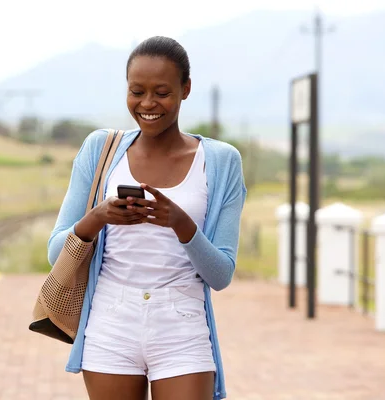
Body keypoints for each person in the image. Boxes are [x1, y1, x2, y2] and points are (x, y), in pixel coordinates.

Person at [48, 36, 246, 400]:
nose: (148, 104)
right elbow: (55, 253)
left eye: (162, 92)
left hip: (182, 323)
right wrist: (99, 217)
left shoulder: (220, 161)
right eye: (137, 91)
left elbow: (221, 275)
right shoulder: (100, 150)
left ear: (186, 89)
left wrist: (180, 224)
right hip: (110, 320)